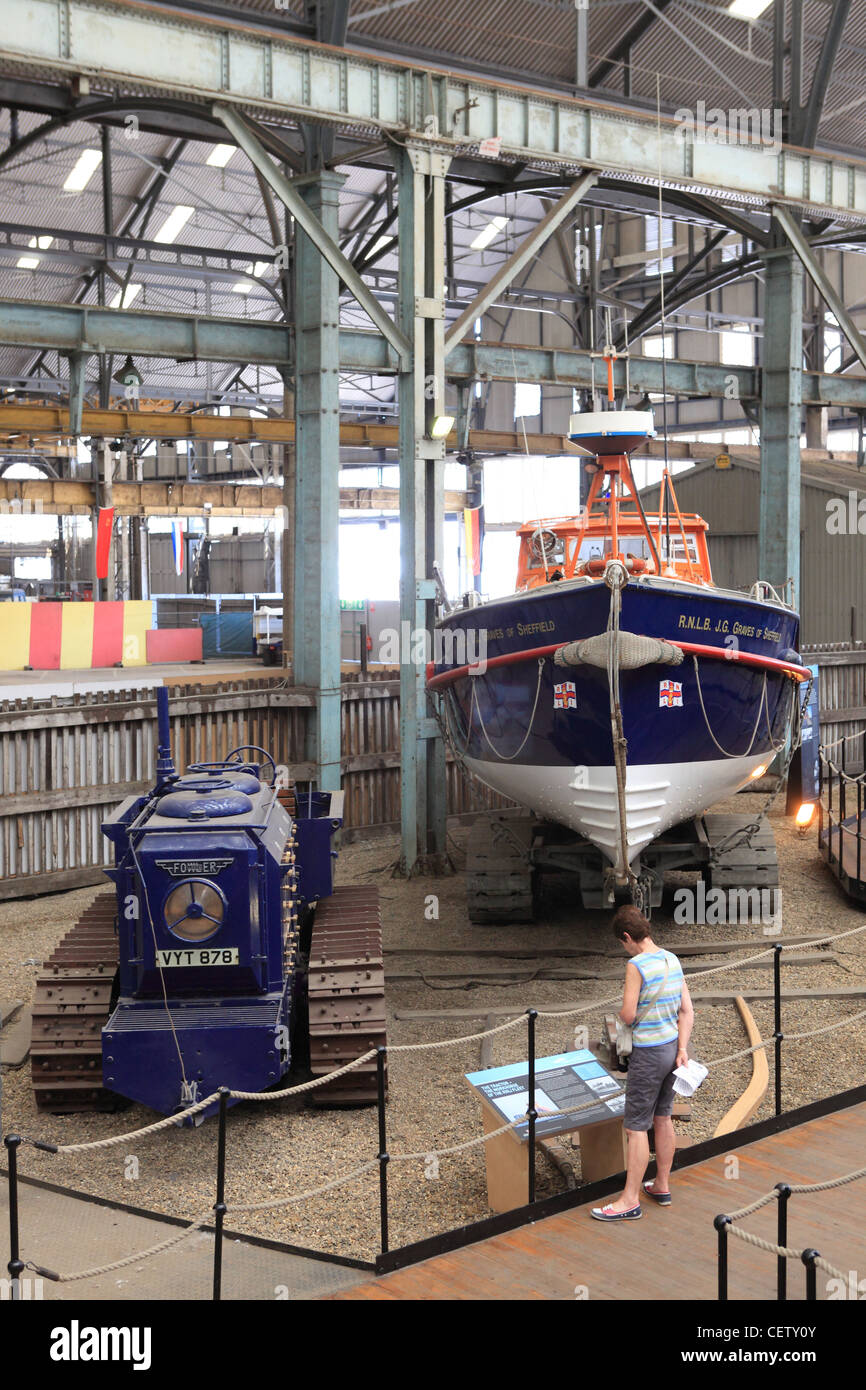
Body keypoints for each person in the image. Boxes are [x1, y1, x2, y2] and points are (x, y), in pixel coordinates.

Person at [590, 904, 693, 1222]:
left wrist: (623, 1015)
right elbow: (687, 1011)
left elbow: (629, 1014)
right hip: (671, 1051)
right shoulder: (671, 959)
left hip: (648, 1055)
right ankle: (661, 1184)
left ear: (626, 937)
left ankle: (629, 1200)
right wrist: (682, 1048)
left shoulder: (636, 965)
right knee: (663, 1118)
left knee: (635, 1127)